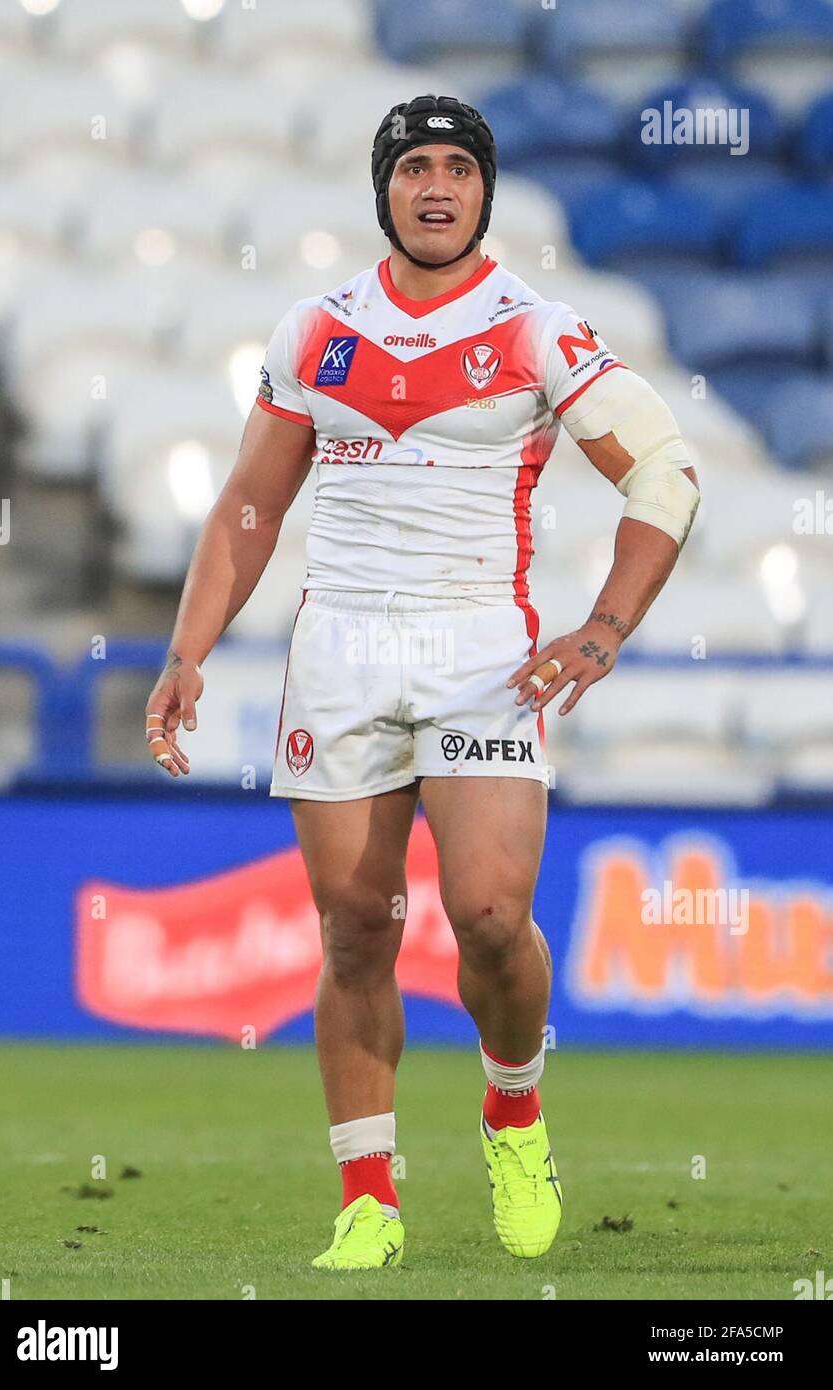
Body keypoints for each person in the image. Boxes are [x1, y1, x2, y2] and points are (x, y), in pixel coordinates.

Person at [145, 94, 700, 1271]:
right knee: (353, 929)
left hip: (478, 651)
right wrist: (188, 649)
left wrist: (601, 629)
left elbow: (663, 472)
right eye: (413, 169)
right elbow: (251, 505)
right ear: (382, 189)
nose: (434, 186)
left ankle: (511, 1110)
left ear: (484, 191)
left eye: (456, 167)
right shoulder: (314, 331)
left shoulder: (536, 330)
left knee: (490, 917)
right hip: (336, 648)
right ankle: (368, 1200)